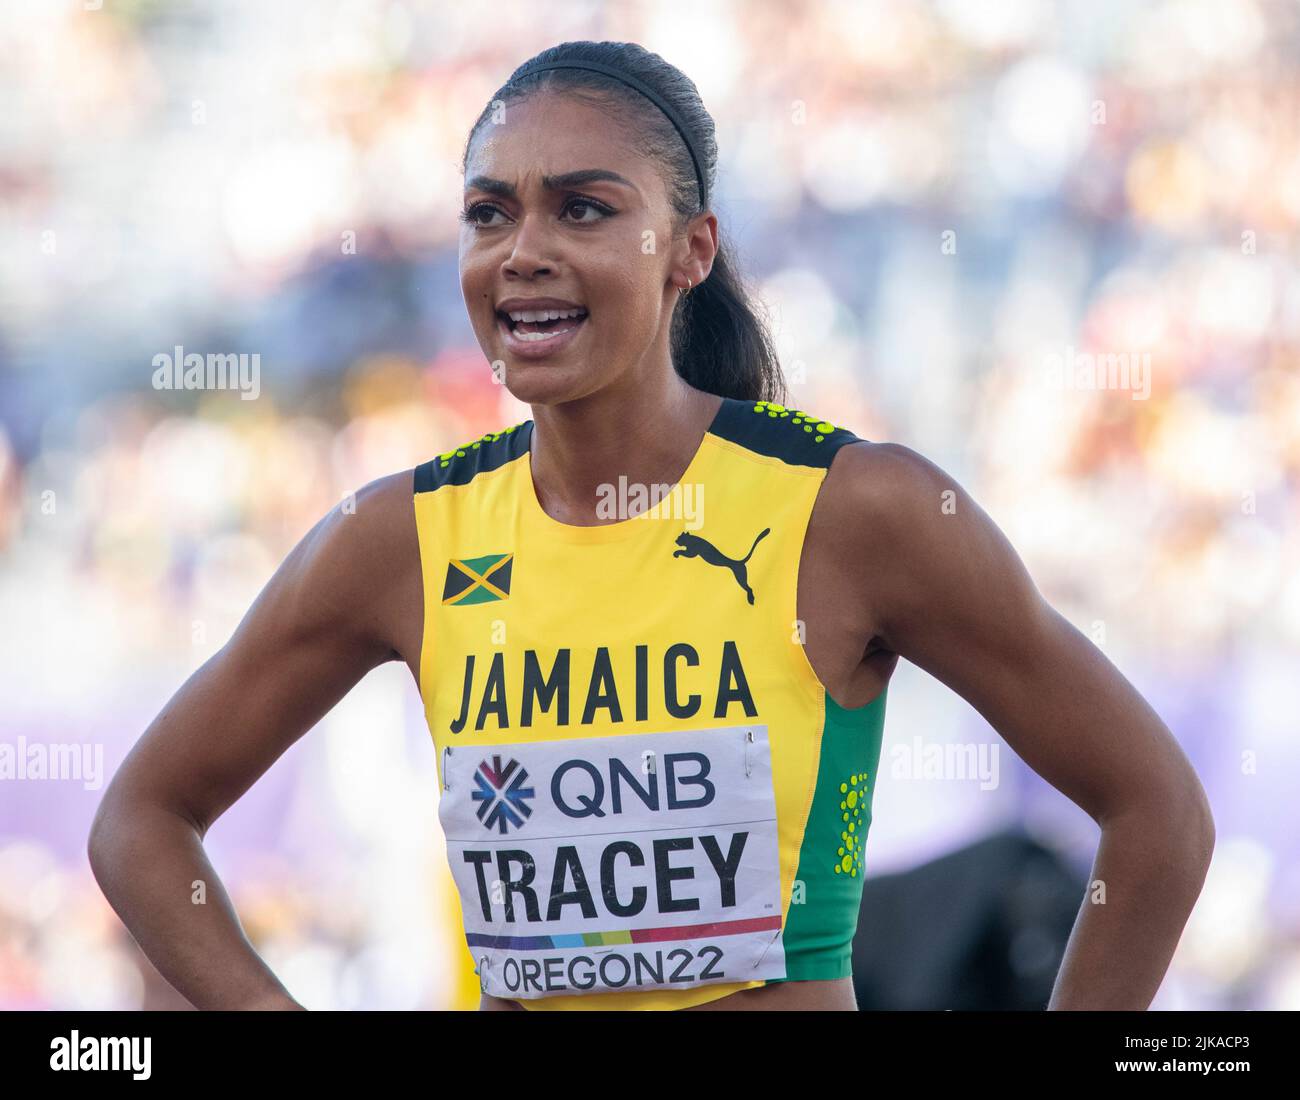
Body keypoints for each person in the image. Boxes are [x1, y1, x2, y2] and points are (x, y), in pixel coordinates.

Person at [88, 40, 1214, 1012]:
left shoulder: (855, 510)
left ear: (691, 250)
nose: (522, 248)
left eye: (583, 207)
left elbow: (1156, 811)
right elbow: (140, 819)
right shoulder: (399, 538)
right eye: (490, 212)